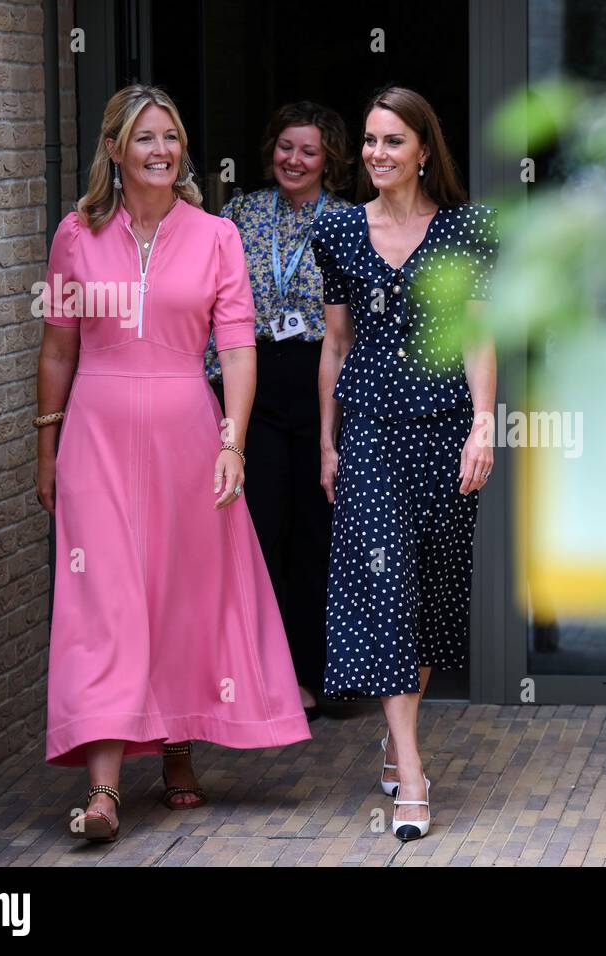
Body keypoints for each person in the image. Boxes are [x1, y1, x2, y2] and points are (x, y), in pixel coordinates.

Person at [34, 84, 310, 843]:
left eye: (172, 137)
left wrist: (232, 441)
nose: (163, 150)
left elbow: (239, 348)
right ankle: (103, 793)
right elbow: (58, 346)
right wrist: (45, 445)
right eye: (147, 138)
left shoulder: (217, 235)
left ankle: (180, 742)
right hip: (96, 438)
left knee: (180, 593)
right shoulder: (75, 236)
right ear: (115, 151)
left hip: (190, 436)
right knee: (106, 604)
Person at [312, 86, 498, 841]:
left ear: (425, 150)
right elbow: (335, 345)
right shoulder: (338, 233)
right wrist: (327, 441)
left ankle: (396, 735)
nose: (376, 154)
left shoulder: (465, 230)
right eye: (369, 140)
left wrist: (483, 424)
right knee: (385, 590)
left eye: (393, 141)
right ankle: (413, 774)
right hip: (369, 436)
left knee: (429, 591)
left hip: (445, 428)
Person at [202, 102, 354, 721]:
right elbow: (211, 298)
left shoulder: (348, 221)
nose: (294, 160)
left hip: (322, 381)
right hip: (255, 384)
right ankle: (260, 677)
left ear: (330, 161)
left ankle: (321, 676)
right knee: (260, 532)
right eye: (286, 147)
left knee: (318, 535)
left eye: (308, 151)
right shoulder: (238, 213)